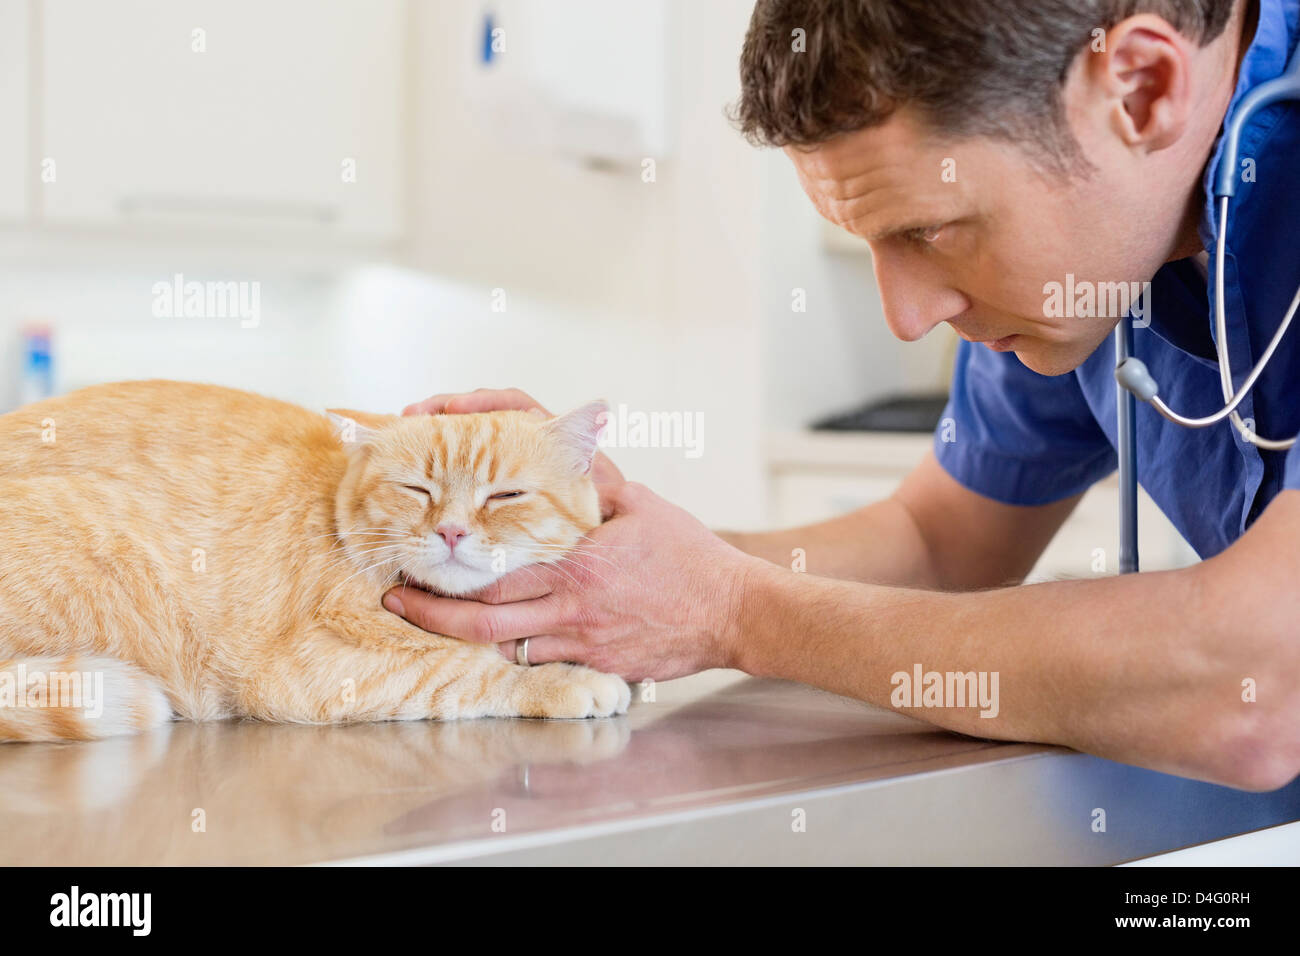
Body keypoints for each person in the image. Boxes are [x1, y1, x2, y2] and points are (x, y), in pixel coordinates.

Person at [383, 0, 1300, 791]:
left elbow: (1254, 682)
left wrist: (734, 613)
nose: (908, 316)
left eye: (934, 230)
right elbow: (940, 542)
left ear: (1141, 89)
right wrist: (580, 553)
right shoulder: (1086, 263)